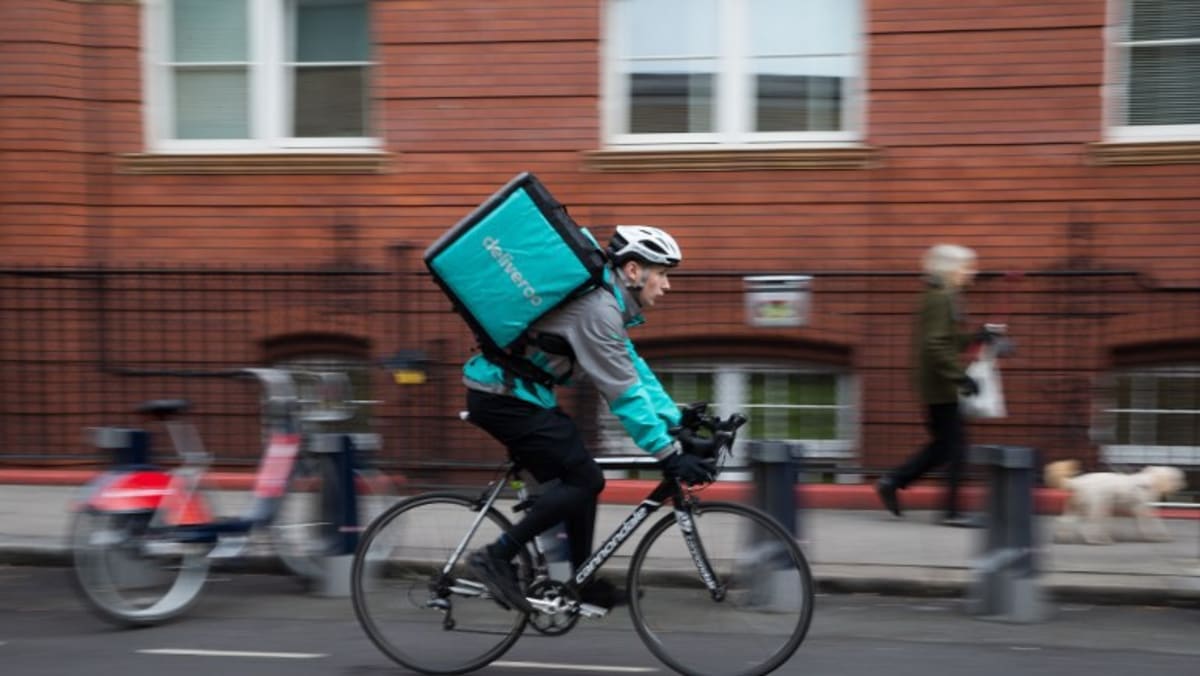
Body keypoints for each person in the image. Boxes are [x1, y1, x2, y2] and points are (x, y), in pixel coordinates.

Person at [463, 225, 715, 613]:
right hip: (502, 397)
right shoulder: (599, 311)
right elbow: (624, 394)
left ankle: (581, 580)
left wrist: (676, 421)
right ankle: (494, 557)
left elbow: (634, 370)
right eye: (662, 273)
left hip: (523, 395)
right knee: (585, 478)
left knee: (581, 475)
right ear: (633, 271)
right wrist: (668, 454)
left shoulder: (605, 303)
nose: (666, 285)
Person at [875, 243, 990, 528]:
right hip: (940, 385)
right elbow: (934, 345)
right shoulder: (940, 297)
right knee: (956, 448)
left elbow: (946, 341)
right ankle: (951, 512)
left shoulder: (944, 295)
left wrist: (978, 335)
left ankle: (894, 481)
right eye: (966, 266)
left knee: (943, 446)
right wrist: (959, 377)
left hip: (937, 382)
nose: (971, 272)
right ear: (950, 269)